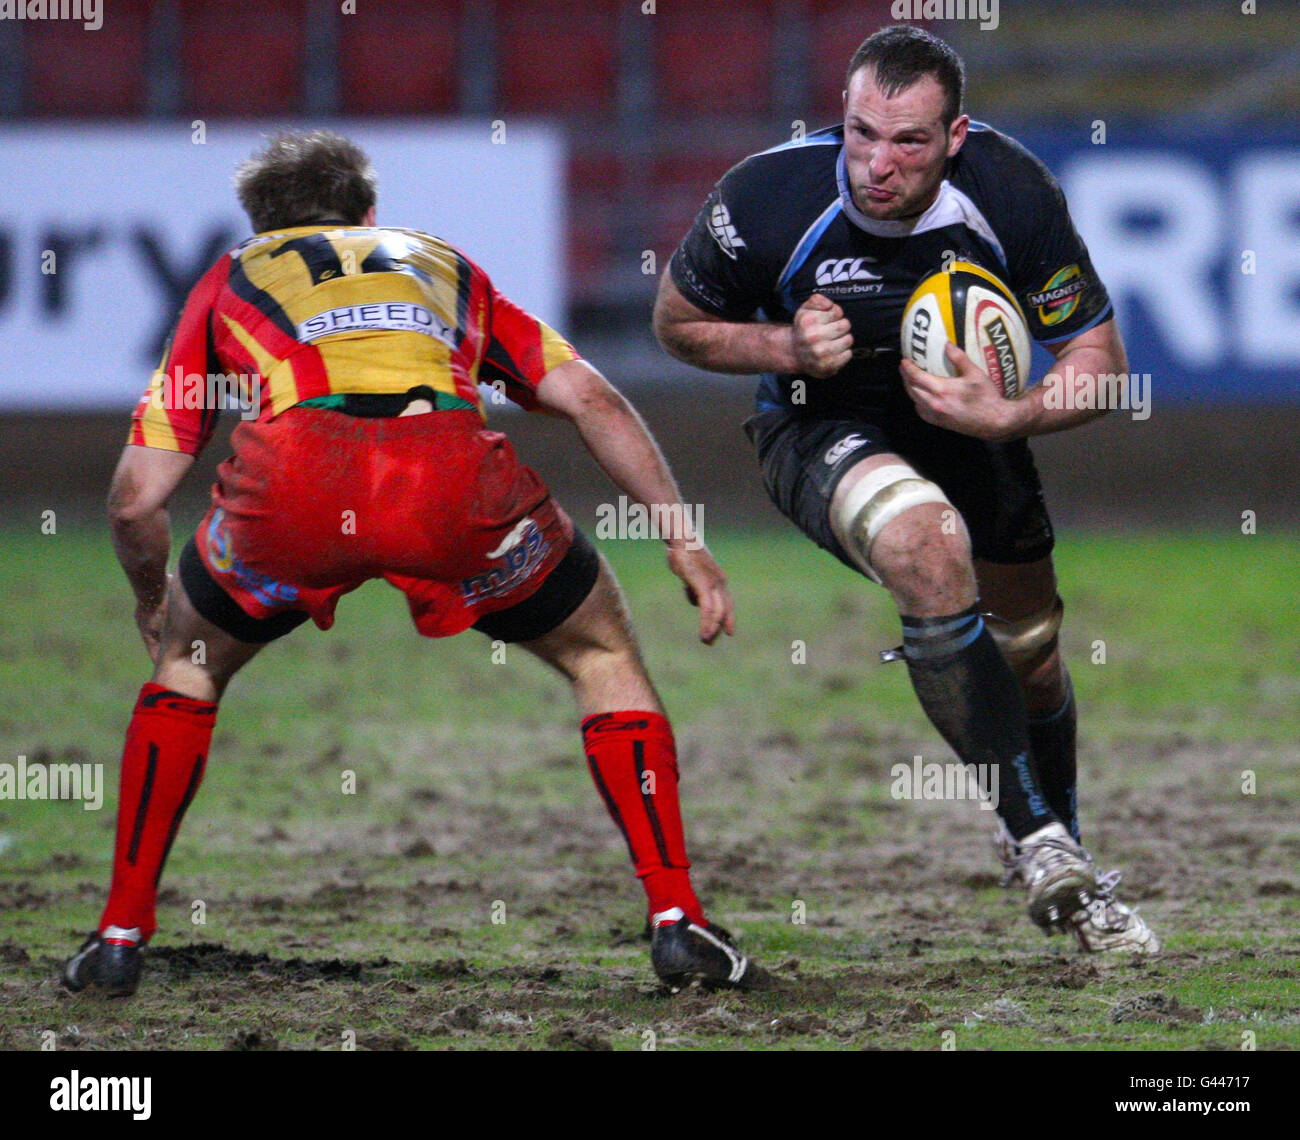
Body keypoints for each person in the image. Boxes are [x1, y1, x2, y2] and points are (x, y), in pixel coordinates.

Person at [64, 129, 766, 997]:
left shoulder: (230, 275)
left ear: (258, 223)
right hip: (448, 480)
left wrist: (151, 604)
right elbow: (588, 395)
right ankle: (676, 920)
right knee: (601, 652)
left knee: (188, 668)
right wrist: (681, 535)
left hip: (295, 489)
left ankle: (119, 938)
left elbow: (136, 498)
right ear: (366, 213)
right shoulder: (439, 263)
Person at [653, 25, 1157, 953]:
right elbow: (678, 322)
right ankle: (1040, 839)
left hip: (973, 430)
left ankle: (1067, 867)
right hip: (817, 425)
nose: (877, 164)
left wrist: (1008, 418)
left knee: (1034, 654)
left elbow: (1102, 364)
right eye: (860, 134)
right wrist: (781, 348)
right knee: (928, 545)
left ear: (955, 137)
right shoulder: (766, 196)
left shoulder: (1009, 190)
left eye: (909, 142)